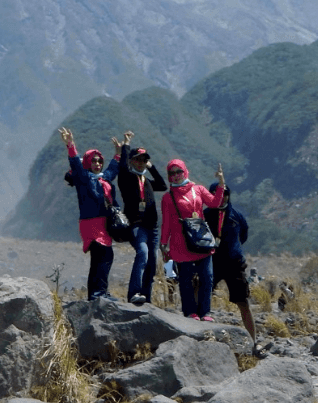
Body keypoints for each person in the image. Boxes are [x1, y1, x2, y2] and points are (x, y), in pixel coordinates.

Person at [160, 159, 226, 320]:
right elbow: (167, 222)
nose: (176, 176)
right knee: (186, 279)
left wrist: (221, 183)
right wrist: (163, 243)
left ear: (185, 171)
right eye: (172, 173)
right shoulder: (168, 197)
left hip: (201, 239)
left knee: (207, 276)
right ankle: (190, 312)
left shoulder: (198, 189)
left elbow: (214, 203)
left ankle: (205, 312)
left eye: (179, 172)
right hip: (180, 242)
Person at [60, 126, 120, 301]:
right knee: (104, 255)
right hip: (92, 223)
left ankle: (97, 294)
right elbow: (75, 164)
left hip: (103, 224)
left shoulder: (102, 177)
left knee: (100, 258)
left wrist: (118, 154)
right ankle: (99, 293)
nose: (97, 164)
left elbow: (112, 170)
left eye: (99, 161)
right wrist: (70, 144)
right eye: (94, 161)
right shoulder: (83, 177)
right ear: (88, 162)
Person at [114, 131, 167, 305]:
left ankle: (146, 296)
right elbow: (121, 168)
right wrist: (126, 145)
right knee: (142, 253)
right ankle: (134, 293)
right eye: (137, 159)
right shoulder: (127, 178)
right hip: (136, 225)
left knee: (152, 260)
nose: (141, 162)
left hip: (153, 227)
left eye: (144, 160)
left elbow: (163, 184)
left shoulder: (148, 181)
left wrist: (151, 167)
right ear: (131, 161)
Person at [205, 163, 256, 342]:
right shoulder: (206, 215)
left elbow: (244, 234)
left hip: (234, 263)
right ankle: (198, 332)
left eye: (226, 193)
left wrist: (233, 248)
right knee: (202, 295)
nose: (223, 196)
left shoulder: (236, 215)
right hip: (212, 262)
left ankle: (253, 341)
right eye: (219, 193)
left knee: (243, 302)